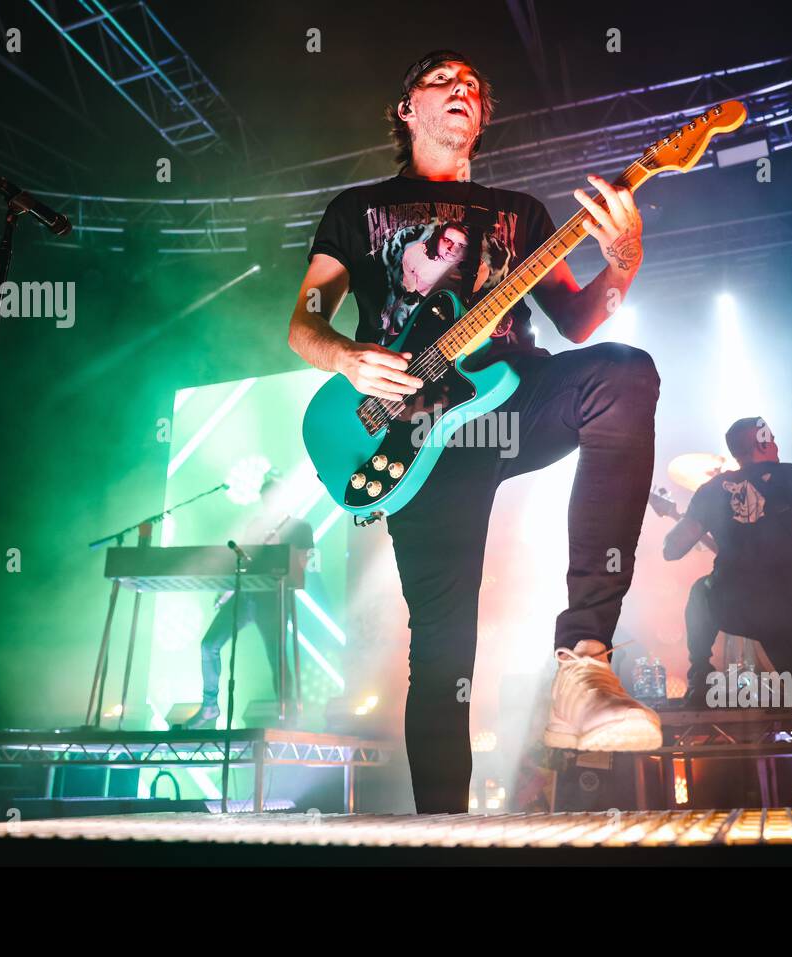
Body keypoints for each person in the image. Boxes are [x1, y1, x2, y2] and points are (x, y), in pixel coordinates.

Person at [288, 49, 662, 813]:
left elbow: (580, 320)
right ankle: (442, 832)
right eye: (443, 81)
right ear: (407, 109)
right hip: (414, 434)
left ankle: (584, 656)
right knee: (444, 652)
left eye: (475, 89)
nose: (464, 91)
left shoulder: (519, 212)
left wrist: (625, 259)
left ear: (483, 120)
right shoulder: (355, 210)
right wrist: (348, 359)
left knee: (624, 372)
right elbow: (304, 323)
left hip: (512, 397)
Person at [664, 417, 792, 803]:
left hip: (735, 605)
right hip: (790, 609)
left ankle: (700, 673)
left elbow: (673, 550)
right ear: (766, 441)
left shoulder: (712, 489)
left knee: (702, 591)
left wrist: (696, 518)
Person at [186, 470, 314, 730]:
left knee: (276, 657)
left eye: (273, 496)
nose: (268, 501)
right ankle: (209, 706)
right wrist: (227, 590)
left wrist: (280, 549)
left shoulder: (300, 527)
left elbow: (303, 564)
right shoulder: (255, 525)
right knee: (208, 644)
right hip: (245, 594)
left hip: (274, 597)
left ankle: (287, 713)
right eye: (265, 496)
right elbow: (243, 561)